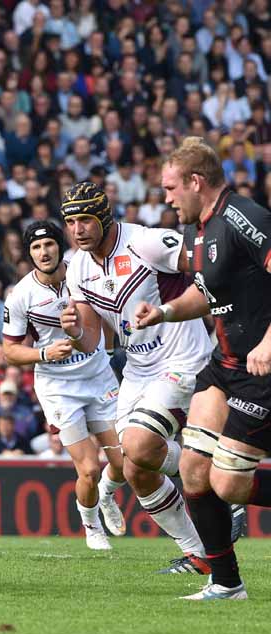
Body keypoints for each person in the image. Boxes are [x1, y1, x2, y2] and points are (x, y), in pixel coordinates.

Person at [135, 137, 271, 600]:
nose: (166, 198)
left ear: (196, 182)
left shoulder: (243, 217)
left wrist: (269, 342)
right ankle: (227, 583)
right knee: (193, 471)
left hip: (263, 369)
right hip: (225, 363)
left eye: (171, 188)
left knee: (229, 482)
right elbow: (206, 293)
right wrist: (166, 312)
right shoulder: (197, 229)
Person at [60, 181, 211, 574]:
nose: (78, 230)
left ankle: (215, 473)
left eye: (85, 220)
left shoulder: (145, 242)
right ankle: (200, 554)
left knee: (140, 446)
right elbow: (93, 337)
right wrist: (74, 330)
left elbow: (207, 265)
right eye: (71, 222)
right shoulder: (76, 266)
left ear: (104, 216)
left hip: (181, 358)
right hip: (138, 371)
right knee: (135, 470)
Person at [2, 220, 125, 550]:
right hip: (59, 387)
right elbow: (10, 351)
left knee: (125, 461)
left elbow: (107, 315)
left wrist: (111, 349)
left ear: (60, 246)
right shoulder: (20, 297)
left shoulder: (84, 276)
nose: (43, 252)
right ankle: (90, 525)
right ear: (29, 254)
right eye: (36, 248)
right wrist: (43, 352)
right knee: (88, 469)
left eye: (49, 245)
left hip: (98, 376)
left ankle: (107, 495)